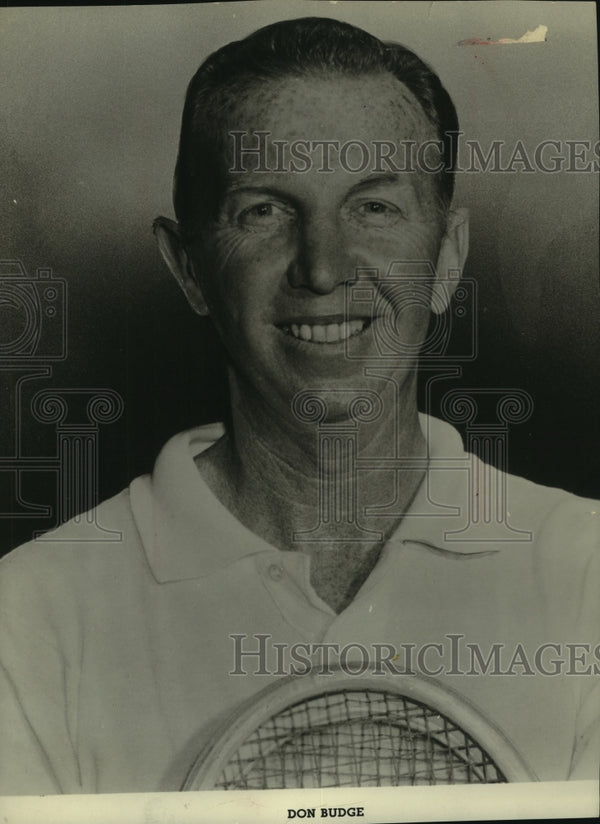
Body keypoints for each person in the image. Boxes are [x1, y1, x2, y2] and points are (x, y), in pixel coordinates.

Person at [0, 17, 598, 795]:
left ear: (447, 258)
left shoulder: (588, 575)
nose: (323, 267)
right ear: (188, 270)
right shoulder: (30, 618)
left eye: (374, 207)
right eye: (265, 211)